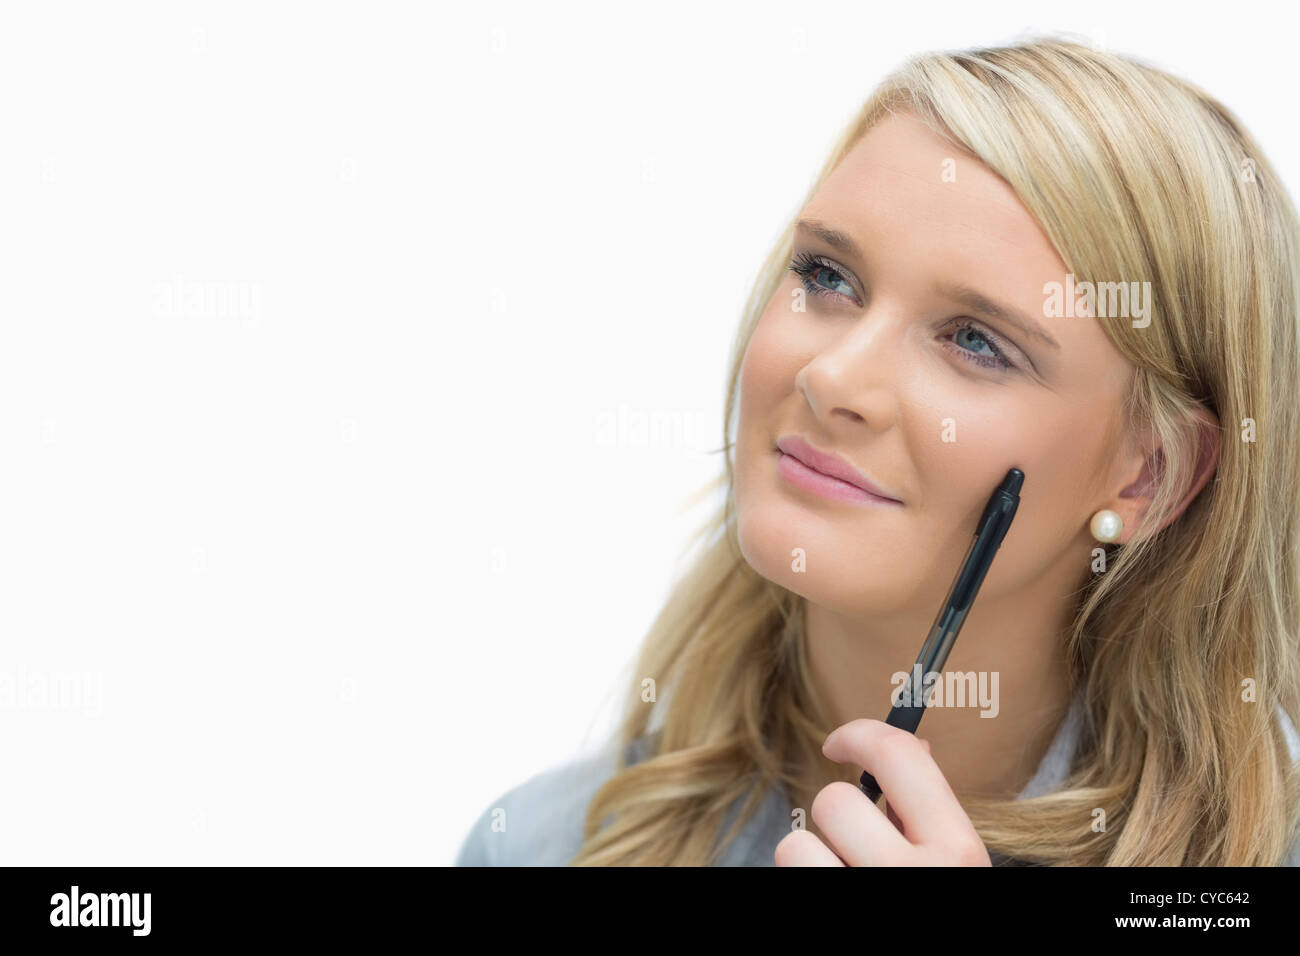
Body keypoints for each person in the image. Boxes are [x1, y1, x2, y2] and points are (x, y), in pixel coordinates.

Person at [455, 36, 1300, 866]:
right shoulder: (548, 845)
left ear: (1154, 473)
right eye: (827, 276)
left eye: (975, 340)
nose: (832, 377)